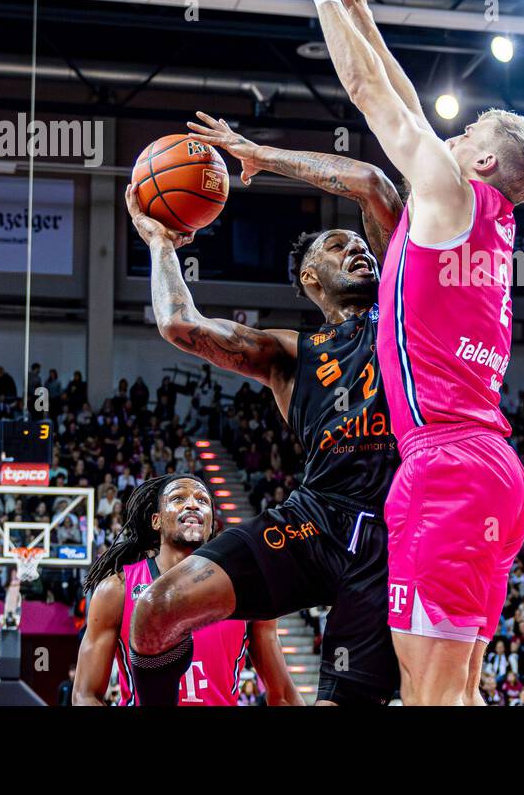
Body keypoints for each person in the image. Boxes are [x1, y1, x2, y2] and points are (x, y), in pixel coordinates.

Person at [288, 0, 524, 705]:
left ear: (478, 159)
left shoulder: (447, 194)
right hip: (483, 472)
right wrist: (363, 10)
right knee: (455, 693)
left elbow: (374, 96)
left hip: (446, 468)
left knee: (434, 699)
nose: (449, 132)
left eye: (466, 129)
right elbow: (403, 102)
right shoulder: (475, 215)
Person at [123, 126, 405, 705]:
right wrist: (159, 244)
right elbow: (182, 326)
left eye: (361, 244)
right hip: (314, 520)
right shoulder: (290, 354)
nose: (358, 249)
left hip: (391, 536)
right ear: (309, 279)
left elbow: (375, 186)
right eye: (336, 245)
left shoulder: (403, 308)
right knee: (153, 612)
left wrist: (261, 156)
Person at [75, 475, 297, 706]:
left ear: (211, 524)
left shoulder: (249, 591)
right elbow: (85, 695)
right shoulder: (116, 590)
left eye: (202, 500)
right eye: (178, 498)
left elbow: (283, 696)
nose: (192, 504)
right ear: (156, 520)